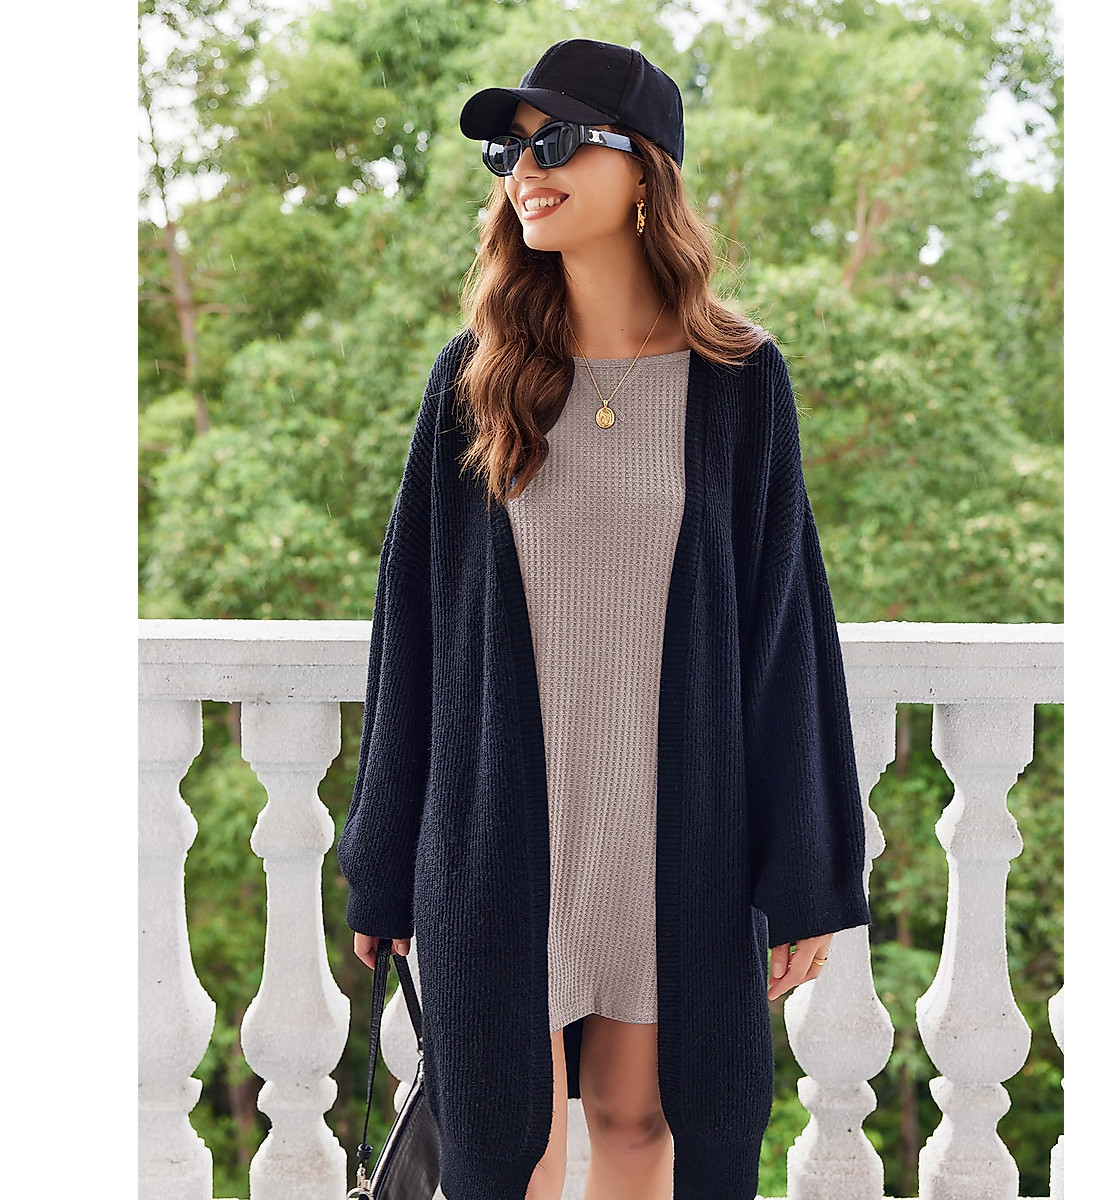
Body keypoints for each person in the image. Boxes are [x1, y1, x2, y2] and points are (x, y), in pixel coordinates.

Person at [337, 38, 871, 1200]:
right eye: (511, 152)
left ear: (646, 172)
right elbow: (411, 629)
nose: (527, 171)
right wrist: (382, 861)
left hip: (679, 835)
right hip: (497, 836)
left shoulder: (739, 381)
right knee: (503, 1146)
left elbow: (786, 631)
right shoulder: (475, 380)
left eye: (561, 143)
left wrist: (805, 867)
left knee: (643, 1124)